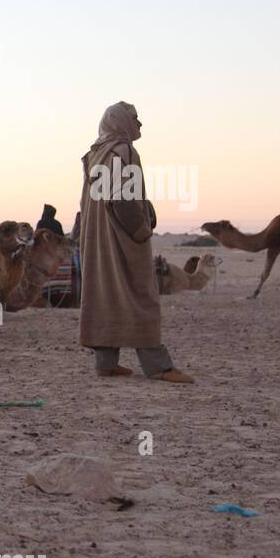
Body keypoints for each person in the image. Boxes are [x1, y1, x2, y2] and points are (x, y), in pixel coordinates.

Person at [77, 101, 193, 383]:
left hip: (97, 239)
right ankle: (158, 366)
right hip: (122, 238)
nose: (139, 124)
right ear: (119, 122)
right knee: (141, 295)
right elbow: (123, 200)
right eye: (135, 119)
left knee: (105, 294)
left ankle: (106, 363)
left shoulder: (95, 154)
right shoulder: (123, 151)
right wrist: (141, 230)